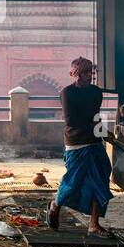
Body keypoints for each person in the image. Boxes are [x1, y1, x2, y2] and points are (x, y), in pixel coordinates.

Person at [49, 56, 113, 236]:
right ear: (76, 73)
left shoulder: (96, 92)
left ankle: (93, 224)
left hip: (94, 142)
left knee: (100, 179)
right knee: (72, 182)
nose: (90, 75)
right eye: (86, 72)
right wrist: (97, 129)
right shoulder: (67, 93)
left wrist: (101, 131)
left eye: (91, 72)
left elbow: (94, 116)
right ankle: (55, 205)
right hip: (76, 143)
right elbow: (72, 121)